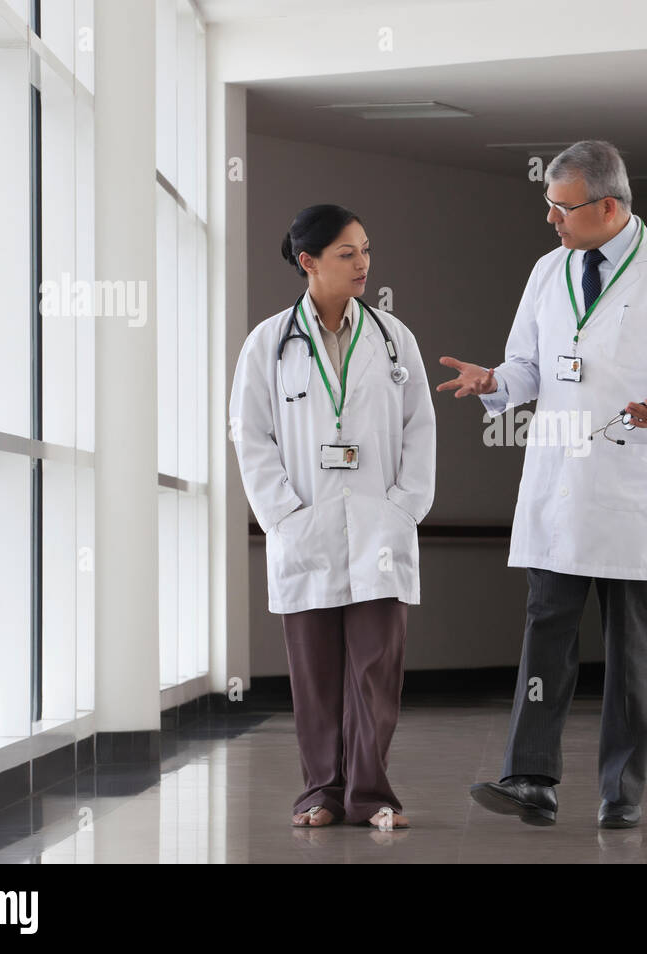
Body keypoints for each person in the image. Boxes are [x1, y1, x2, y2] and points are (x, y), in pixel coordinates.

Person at [437, 141, 647, 828]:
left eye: (561, 209)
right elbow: (526, 368)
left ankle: (621, 792)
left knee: (629, 654)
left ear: (608, 206)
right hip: (559, 489)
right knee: (546, 636)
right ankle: (529, 779)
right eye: (548, 207)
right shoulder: (548, 272)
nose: (551, 221)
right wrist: (494, 383)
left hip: (631, 488)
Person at [229, 204, 435, 830]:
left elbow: (419, 427)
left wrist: (403, 508)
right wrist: (284, 517)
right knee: (315, 675)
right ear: (308, 262)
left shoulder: (395, 338)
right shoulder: (268, 343)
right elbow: (251, 435)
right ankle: (319, 792)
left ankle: (371, 795)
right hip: (306, 529)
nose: (364, 264)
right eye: (348, 254)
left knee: (376, 671)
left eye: (367, 250)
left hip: (379, 527)